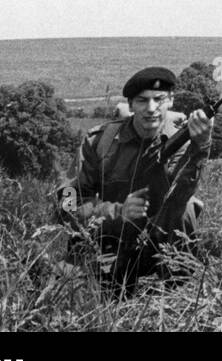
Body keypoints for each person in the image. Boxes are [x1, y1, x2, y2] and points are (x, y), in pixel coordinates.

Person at [57, 66, 213, 289]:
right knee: (57, 290)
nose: (151, 109)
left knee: (187, 206)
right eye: (142, 100)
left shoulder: (185, 138)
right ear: (130, 105)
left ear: (171, 101)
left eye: (159, 99)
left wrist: (201, 146)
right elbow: (66, 201)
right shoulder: (98, 142)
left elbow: (180, 195)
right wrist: (118, 213)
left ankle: (178, 285)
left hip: (161, 247)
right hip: (105, 244)